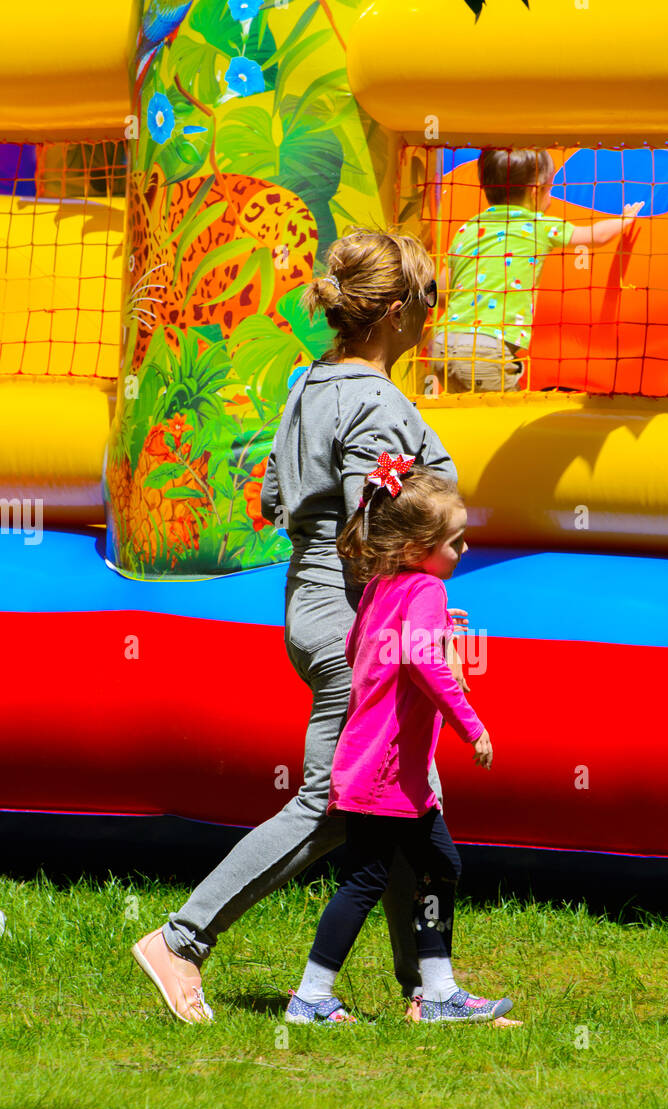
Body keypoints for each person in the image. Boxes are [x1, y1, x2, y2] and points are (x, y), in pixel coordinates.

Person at [131, 229, 470, 1023]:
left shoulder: (309, 385)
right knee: (333, 801)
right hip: (355, 611)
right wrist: (398, 621)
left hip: (308, 598)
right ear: (392, 312)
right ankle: (182, 939)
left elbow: (278, 503)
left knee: (406, 797)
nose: (432, 313)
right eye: (428, 298)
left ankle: (429, 988)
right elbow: (370, 530)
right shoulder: (377, 403)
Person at [285, 463, 513, 1024]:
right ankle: (312, 997)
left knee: (436, 865)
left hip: (372, 764)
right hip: (389, 774)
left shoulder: (383, 589)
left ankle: (436, 993)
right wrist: (472, 726)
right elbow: (421, 660)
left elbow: (362, 646)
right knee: (369, 880)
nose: (464, 549)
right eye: (455, 542)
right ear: (418, 546)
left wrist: (433, 632)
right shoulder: (426, 588)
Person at [429, 146, 644, 392]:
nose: (551, 198)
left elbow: (442, 291)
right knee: (506, 421)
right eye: (549, 189)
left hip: (444, 346)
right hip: (487, 350)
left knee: (466, 415)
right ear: (535, 191)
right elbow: (594, 236)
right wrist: (624, 220)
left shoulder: (467, 229)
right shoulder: (537, 225)